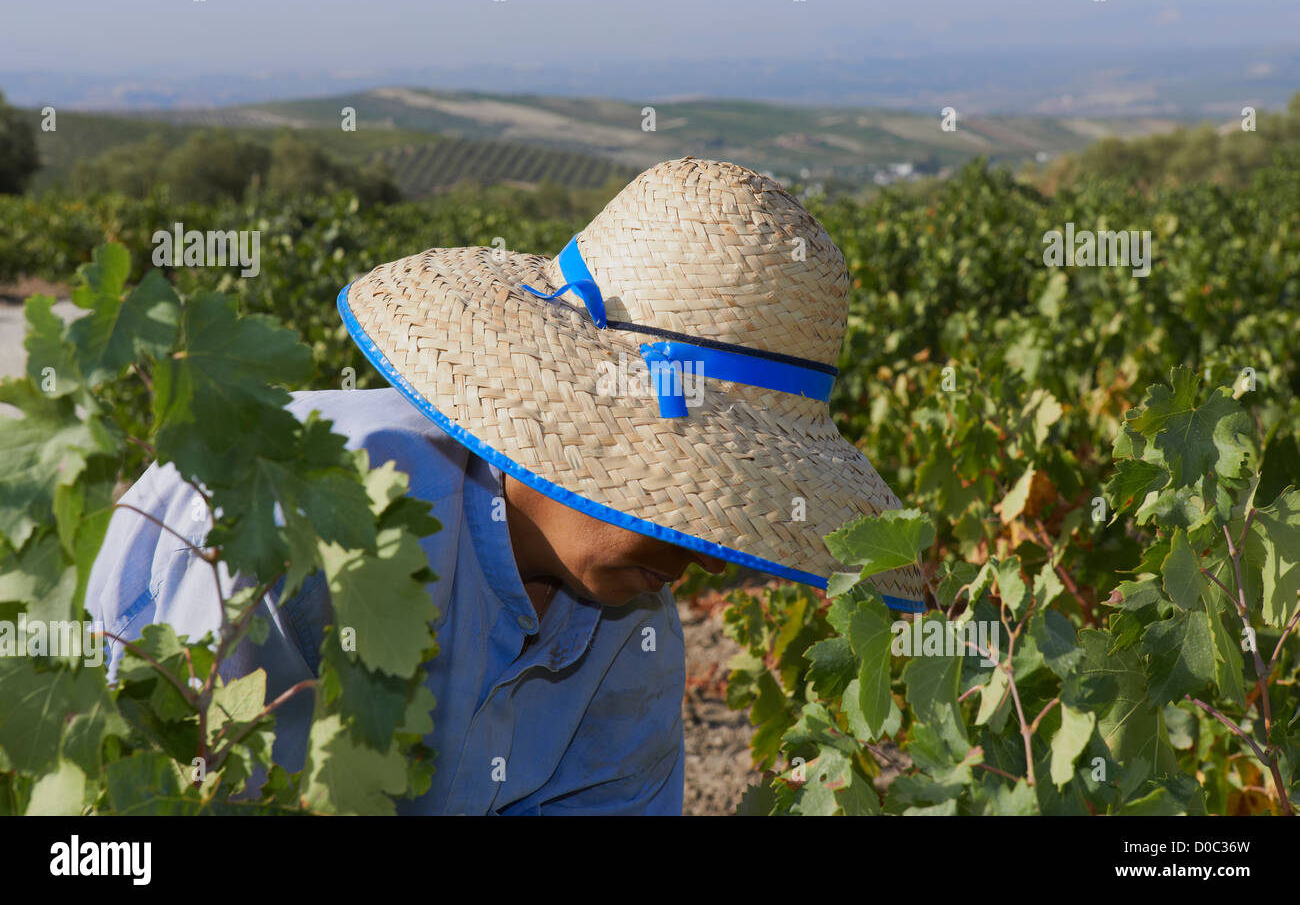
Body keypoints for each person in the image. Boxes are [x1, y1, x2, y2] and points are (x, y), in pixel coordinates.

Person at [85, 156, 925, 815]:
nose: (710, 563)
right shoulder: (266, 510)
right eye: (696, 504)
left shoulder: (629, 637)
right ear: (590, 431)